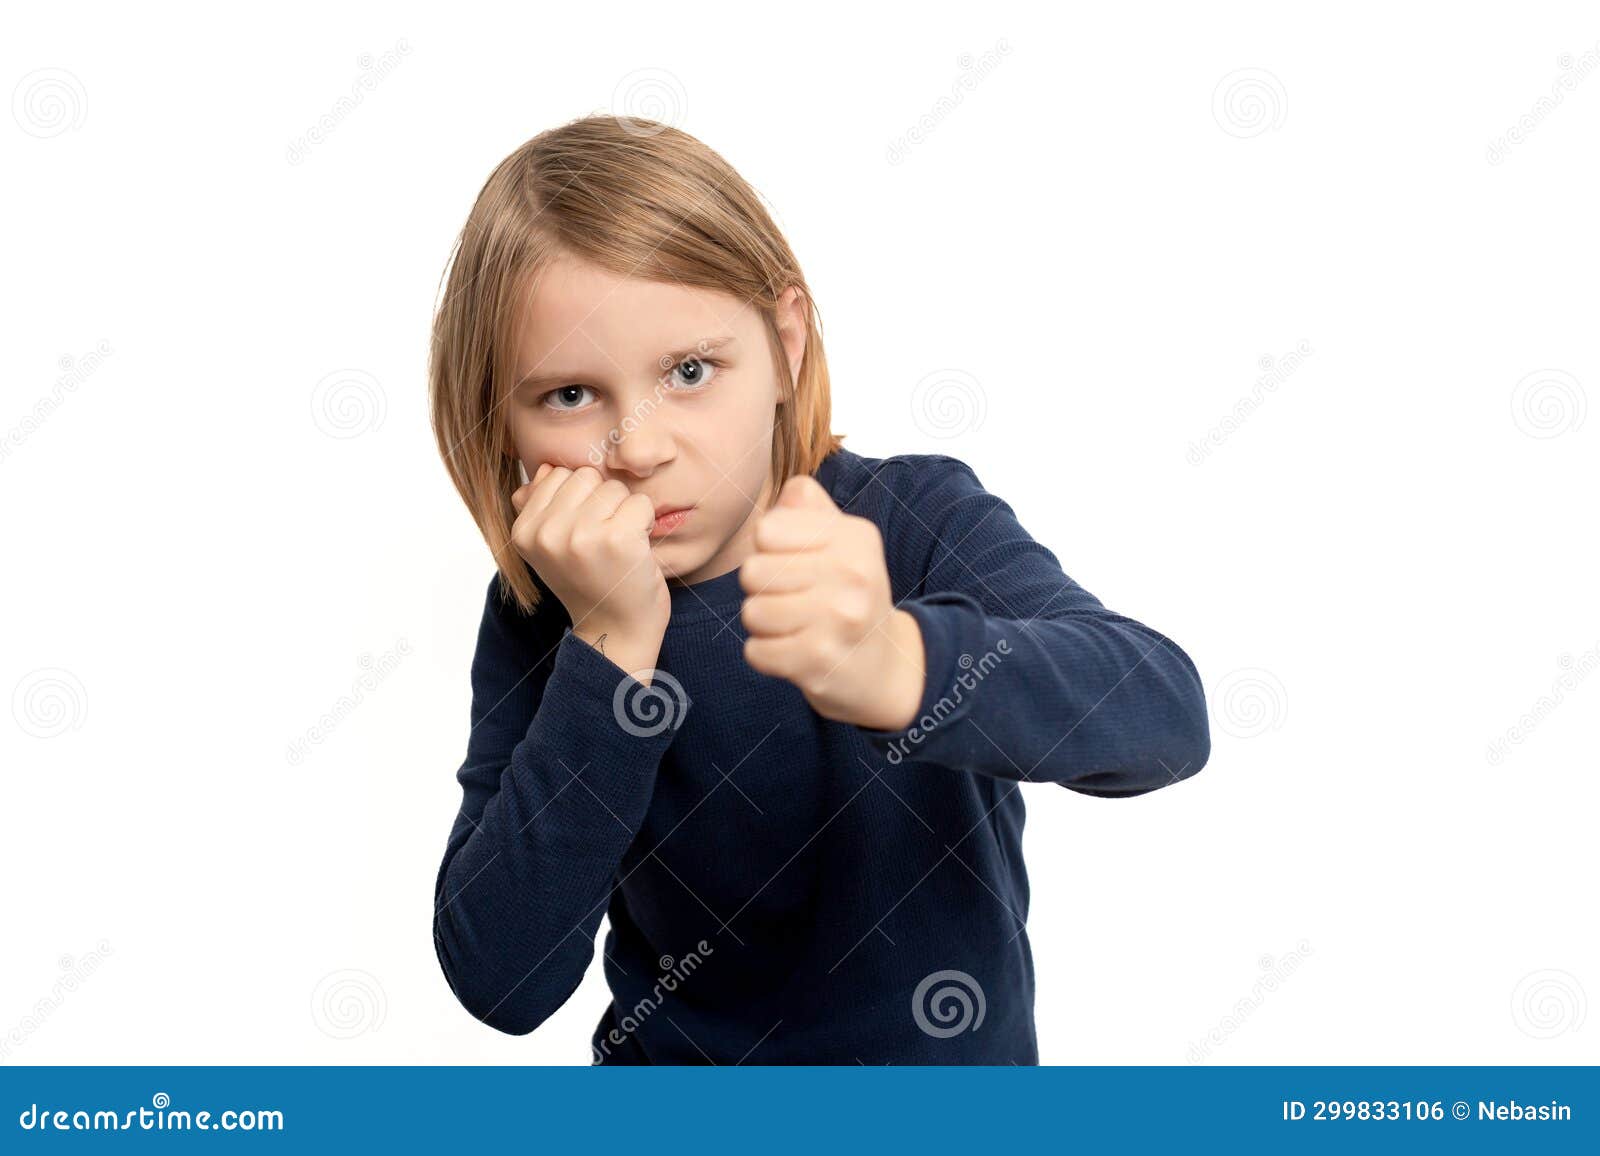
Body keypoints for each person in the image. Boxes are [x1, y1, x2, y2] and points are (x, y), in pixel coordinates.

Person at [428, 114, 1210, 1064]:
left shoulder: (909, 518)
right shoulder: (546, 606)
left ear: (785, 345)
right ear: (499, 422)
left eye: (688, 371)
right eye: (569, 396)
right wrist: (608, 646)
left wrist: (901, 664)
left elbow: (1165, 715)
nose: (637, 447)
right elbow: (502, 980)